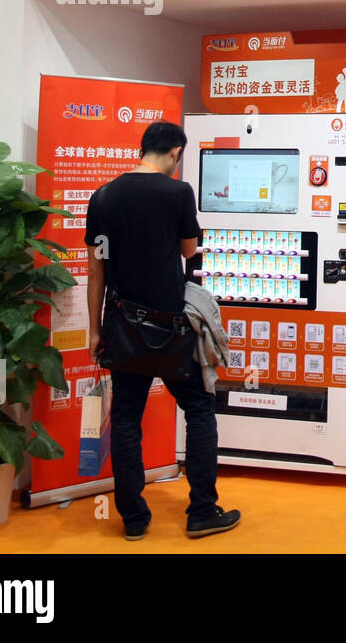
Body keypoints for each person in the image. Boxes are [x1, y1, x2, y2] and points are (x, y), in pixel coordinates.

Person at [85, 121, 241, 541]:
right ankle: (202, 512)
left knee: (125, 419)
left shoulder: (103, 196)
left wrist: (94, 329)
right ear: (174, 152)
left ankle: (134, 519)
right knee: (199, 408)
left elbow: (95, 268)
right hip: (172, 326)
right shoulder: (177, 192)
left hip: (123, 326)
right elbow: (189, 250)